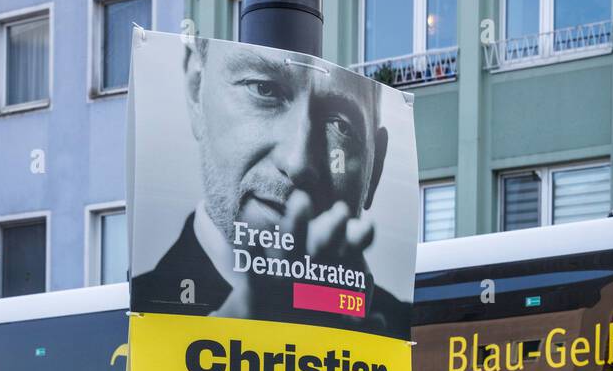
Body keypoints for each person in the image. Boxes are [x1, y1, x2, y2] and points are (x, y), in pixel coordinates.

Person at [130, 36, 409, 336]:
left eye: (340, 125)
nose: (298, 161)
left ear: (375, 166)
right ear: (196, 89)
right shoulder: (122, 324)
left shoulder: (402, 331)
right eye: (264, 89)